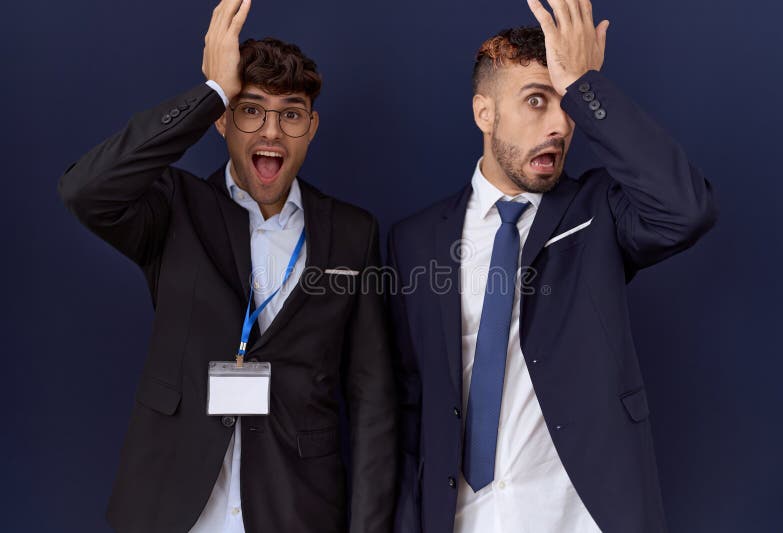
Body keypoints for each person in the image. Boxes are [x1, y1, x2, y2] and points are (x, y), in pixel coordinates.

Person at [58, 0, 396, 531]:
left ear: (311, 126)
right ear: (223, 121)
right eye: (250, 109)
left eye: (291, 114)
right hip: (172, 505)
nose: (271, 132)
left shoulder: (354, 232)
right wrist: (212, 90)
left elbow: (373, 400)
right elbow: (85, 190)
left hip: (296, 509)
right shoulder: (174, 208)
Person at [388, 0, 717, 532]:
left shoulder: (598, 210)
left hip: (580, 514)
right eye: (537, 101)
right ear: (484, 113)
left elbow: (687, 210)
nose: (559, 125)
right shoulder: (414, 240)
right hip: (461, 517)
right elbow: (407, 403)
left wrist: (587, 86)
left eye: (565, 105)